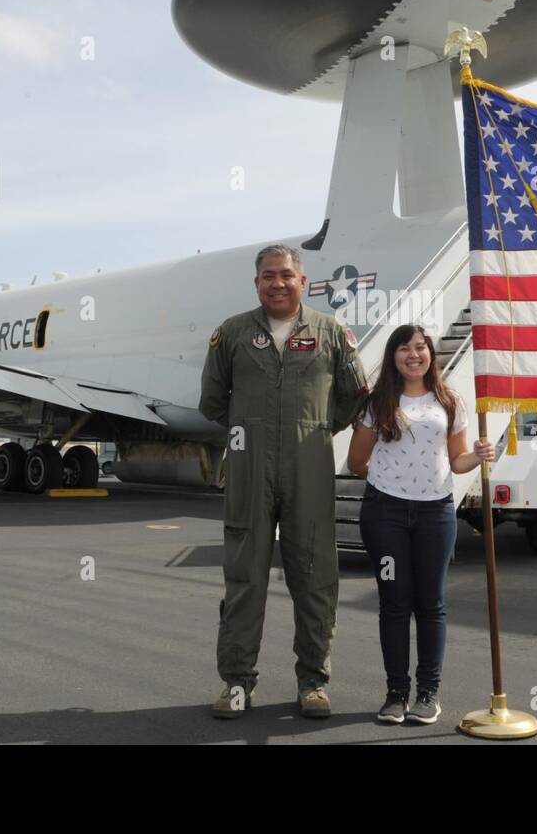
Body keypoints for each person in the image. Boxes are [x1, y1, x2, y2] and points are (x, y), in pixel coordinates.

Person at [199, 244, 367, 719]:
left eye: (286, 275)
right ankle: (237, 683)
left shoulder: (331, 333)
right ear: (257, 283)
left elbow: (356, 396)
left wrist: (313, 431)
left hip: (309, 468)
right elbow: (213, 401)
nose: (277, 282)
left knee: (315, 578)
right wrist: (250, 430)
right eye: (268, 275)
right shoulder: (231, 333)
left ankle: (313, 682)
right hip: (249, 469)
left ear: (303, 281)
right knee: (243, 577)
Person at [346, 324, 493, 724]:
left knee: (431, 604)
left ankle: (428, 694)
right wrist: (392, 482)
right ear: (393, 356)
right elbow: (357, 461)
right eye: (405, 348)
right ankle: (396, 694)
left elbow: (457, 459)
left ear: (431, 354)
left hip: (436, 514)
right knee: (395, 604)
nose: (414, 354)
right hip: (385, 515)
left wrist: (478, 455)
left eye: (421, 347)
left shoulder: (450, 401)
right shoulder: (378, 403)